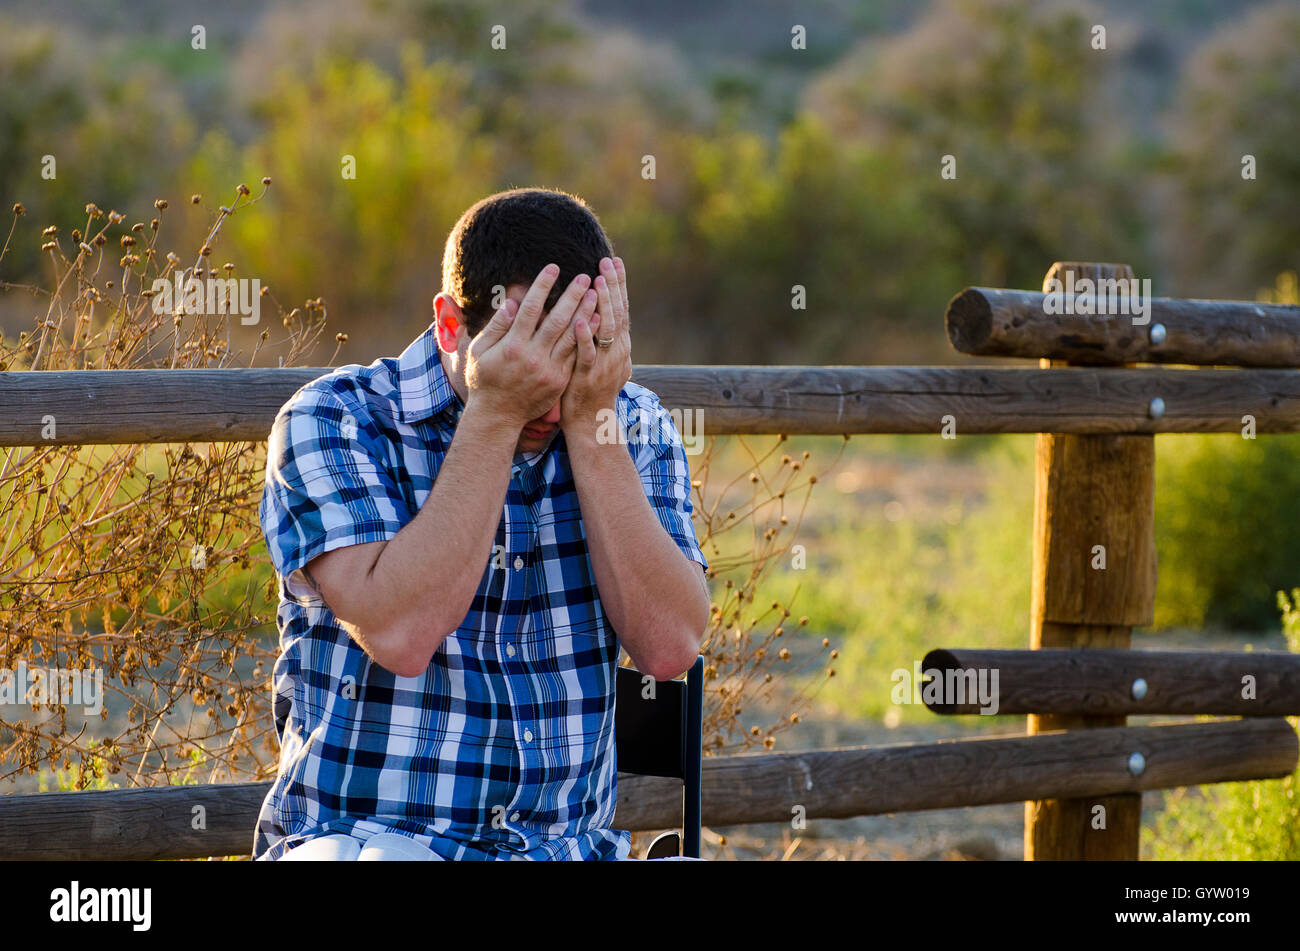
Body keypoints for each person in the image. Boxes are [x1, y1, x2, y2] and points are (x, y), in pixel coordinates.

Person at [254, 187, 711, 860]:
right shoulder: (335, 419)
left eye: (574, 349)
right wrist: (496, 415)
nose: (548, 391)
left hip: (567, 849)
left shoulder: (627, 420)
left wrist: (593, 425)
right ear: (450, 327)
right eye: (528, 348)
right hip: (369, 842)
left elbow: (671, 645)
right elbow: (401, 632)